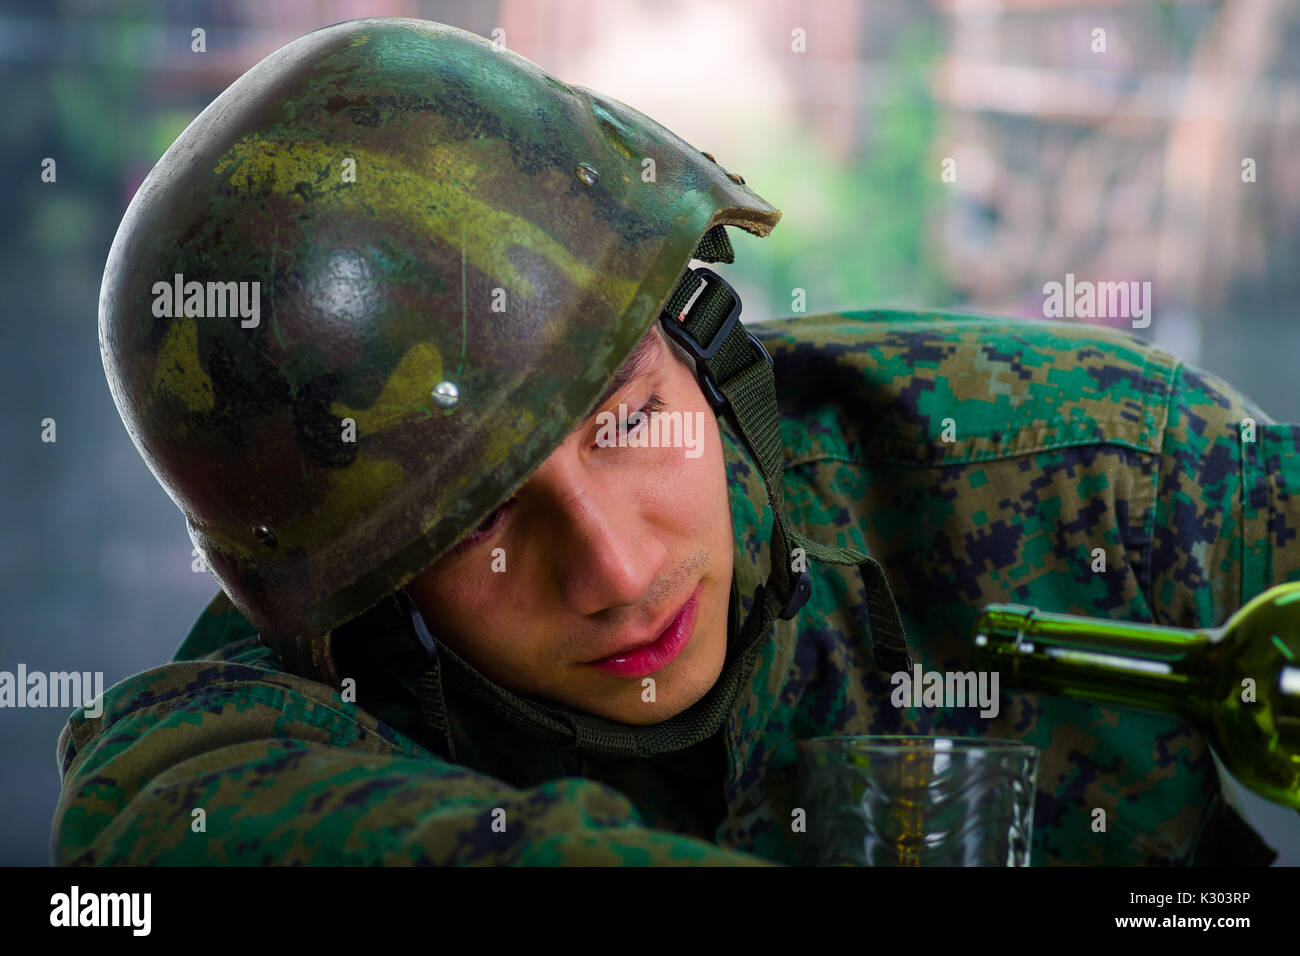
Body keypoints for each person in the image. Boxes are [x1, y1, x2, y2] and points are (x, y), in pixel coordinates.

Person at [53, 16, 1293, 866]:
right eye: (480, 521)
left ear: (700, 342)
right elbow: (146, 801)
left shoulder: (1083, 461)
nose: (615, 566)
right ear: (360, 585)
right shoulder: (323, 659)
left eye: (629, 418)